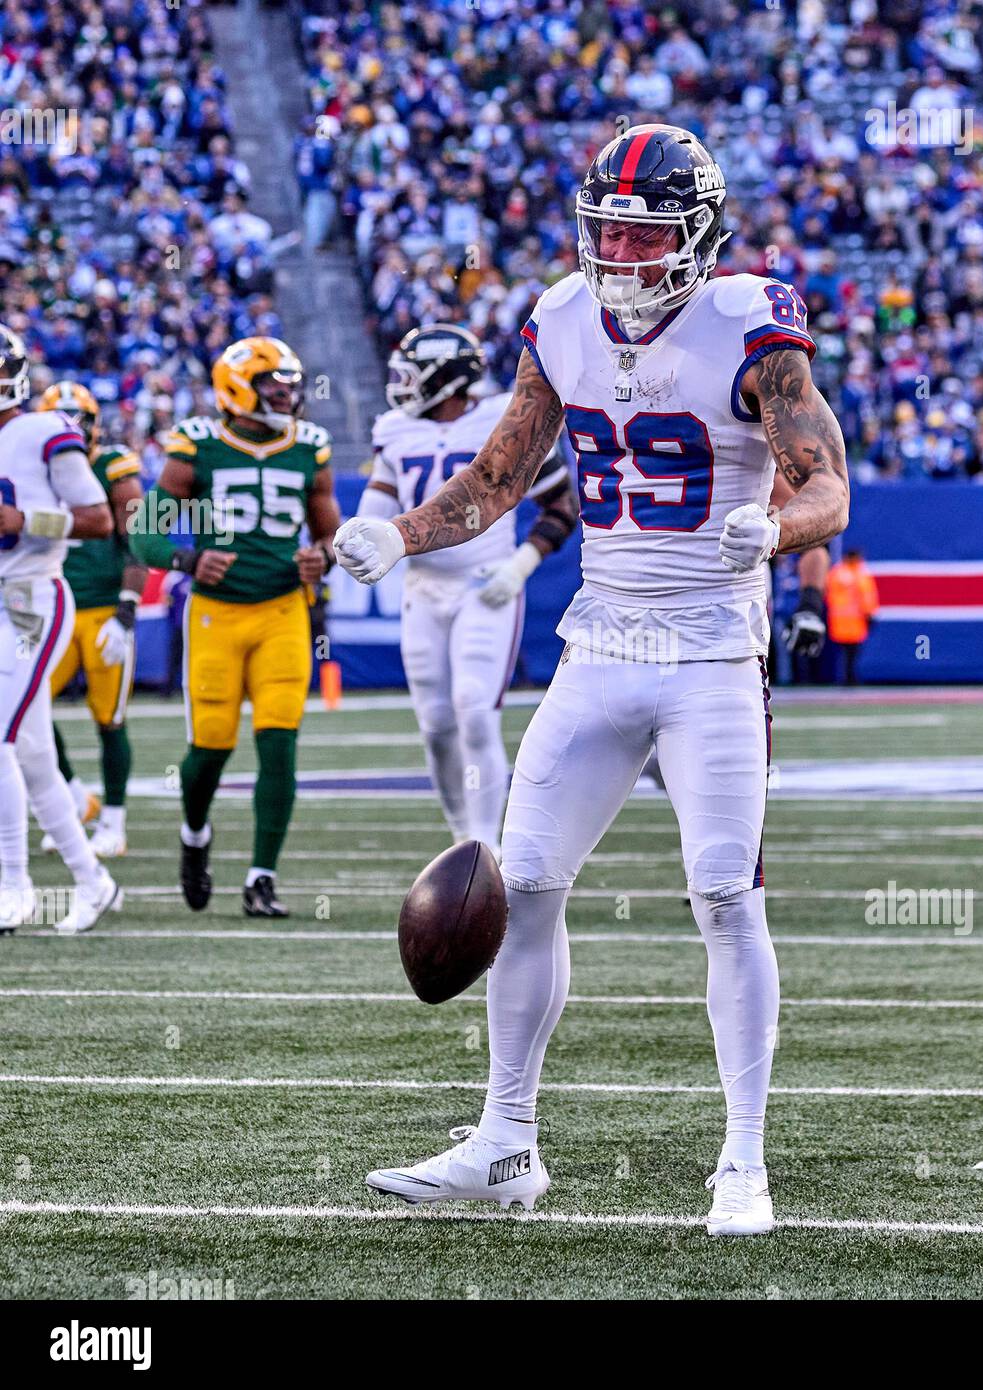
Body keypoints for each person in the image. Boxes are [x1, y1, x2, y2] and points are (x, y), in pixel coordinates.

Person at [335, 124, 849, 1235]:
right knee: (521, 885)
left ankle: (744, 1162)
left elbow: (827, 487)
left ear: (699, 235)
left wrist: (771, 529)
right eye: (606, 229)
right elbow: (494, 477)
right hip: (598, 644)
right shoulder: (562, 318)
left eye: (643, 232)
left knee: (723, 892)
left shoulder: (752, 327)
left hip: (712, 648)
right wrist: (401, 535)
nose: (619, 252)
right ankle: (504, 1144)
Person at [129, 338, 340, 918]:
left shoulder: (311, 447)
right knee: (210, 748)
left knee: (279, 745)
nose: (287, 393)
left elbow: (330, 536)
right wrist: (188, 560)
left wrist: (322, 557)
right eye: (273, 383)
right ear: (236, 387)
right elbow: (144, 531)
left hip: (282, 612)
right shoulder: (197, 445)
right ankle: (195, 835)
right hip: (215, 613)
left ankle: (261, 877)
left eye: (290, 383)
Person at [354, 325, 577, 855]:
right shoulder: (395, 430)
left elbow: (561, 507)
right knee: (435, 724)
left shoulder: (501, 417)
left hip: (485, 587)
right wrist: (356, 535)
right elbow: (376, 508)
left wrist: (521, 565)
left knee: (475, 708)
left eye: (413, 372)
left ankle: (485, 845)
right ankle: (460, 839)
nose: (402, 384)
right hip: (423, 588)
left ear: (447, 378)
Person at [0, 326, 122, 935]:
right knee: (35, 758)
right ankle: (93, 880)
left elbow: (98, 519)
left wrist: (24, 519)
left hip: (30, 603)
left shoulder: (43, 429)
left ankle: (14, 885)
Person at [35, 383, 147, 858]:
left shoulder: (113, 467)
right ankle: (77, 797)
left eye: (79, 418)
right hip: (49, 606)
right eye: (61, 419)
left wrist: (126, 611)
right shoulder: (30, 463)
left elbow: (139, 538)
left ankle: (114, 822)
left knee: (109, 720)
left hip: (102, 608)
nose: (73, 429)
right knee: (26, 709)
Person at [824, 548, 879, 685]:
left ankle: (844, 677)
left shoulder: (836, 573)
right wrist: (870, 613)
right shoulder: (858, 574)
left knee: (844, 653)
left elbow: (828, 595)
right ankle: (850, 678)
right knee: (852, 653)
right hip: (855, 620)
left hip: (839, 620)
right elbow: (866, 596)